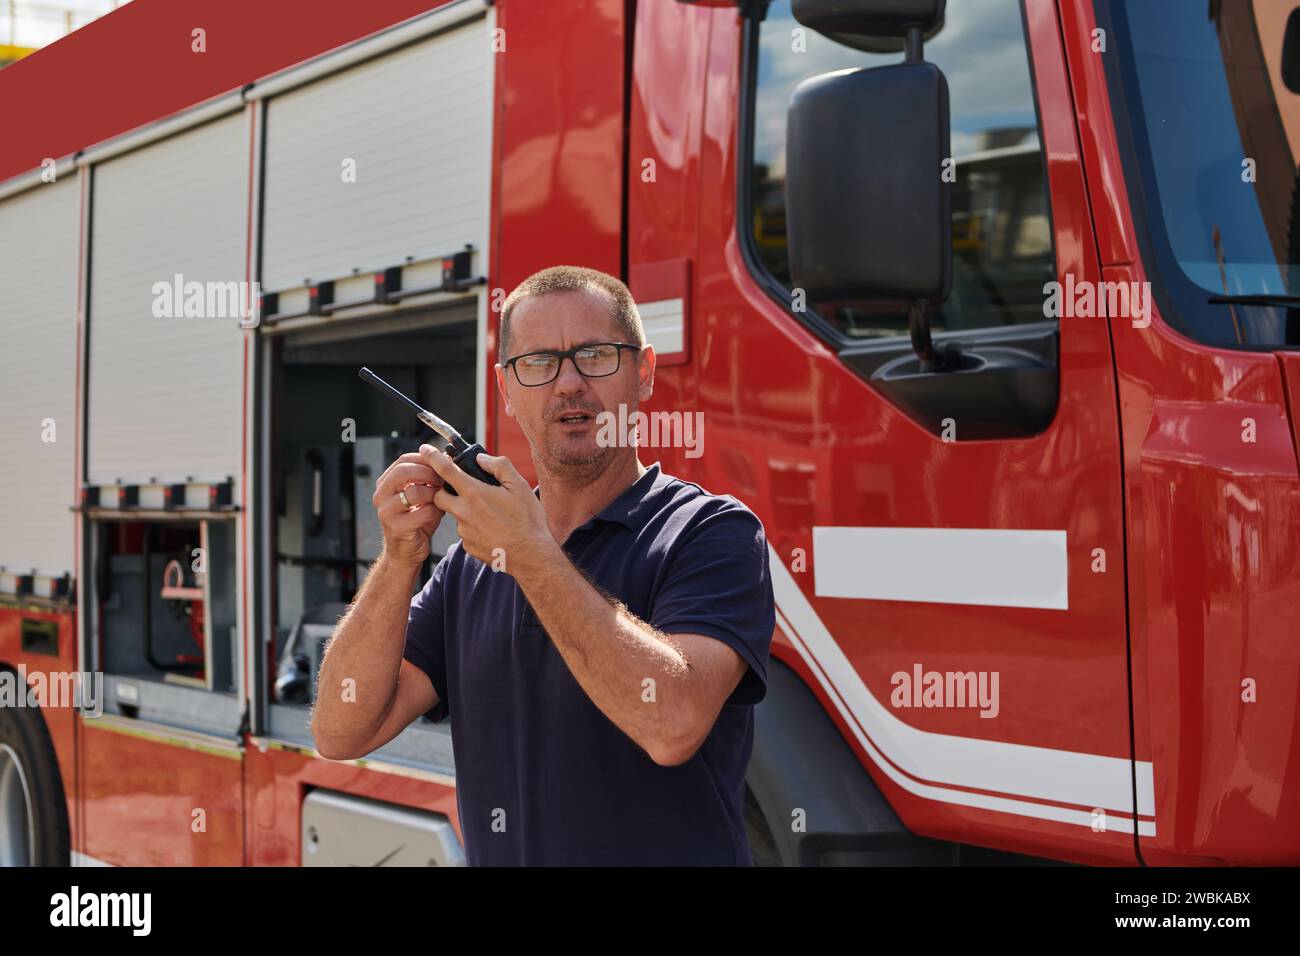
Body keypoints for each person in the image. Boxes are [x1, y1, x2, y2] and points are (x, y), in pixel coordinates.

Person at [311, 265, 776, 865]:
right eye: (538, 363)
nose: (568, 385)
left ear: (644, 373)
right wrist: (402, 558)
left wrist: (530, 554)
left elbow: (672, 724)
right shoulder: (466, 569)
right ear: (506, 389)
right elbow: (341, 732)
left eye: (595, 355)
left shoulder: (711, 533)